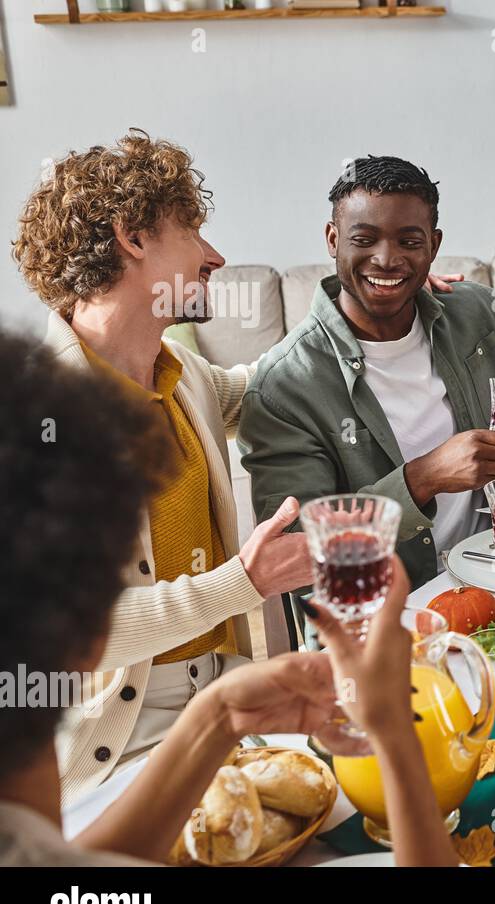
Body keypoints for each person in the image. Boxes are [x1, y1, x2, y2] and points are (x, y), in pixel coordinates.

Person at [0, 331, 456, 867]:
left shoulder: (177, 372)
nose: (214, 258)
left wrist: (216, 716)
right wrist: (396, 740)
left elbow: (74, 861)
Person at [11, 131, 314, 799]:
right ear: (134, 236)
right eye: (195, 231)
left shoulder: (179, 378)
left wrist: (364, 301)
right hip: (117, 751)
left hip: (226, 710)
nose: (216, 257)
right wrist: (243, 583)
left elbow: (267, 385)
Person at [238, 155, 495, 589]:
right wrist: (423, 478)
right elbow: (296, 551)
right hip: (389, 617)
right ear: (333, 239)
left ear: (434, 245)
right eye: (364, 239)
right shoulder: (285, 386)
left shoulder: (475, 312)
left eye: (409, 241)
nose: (386, 259)